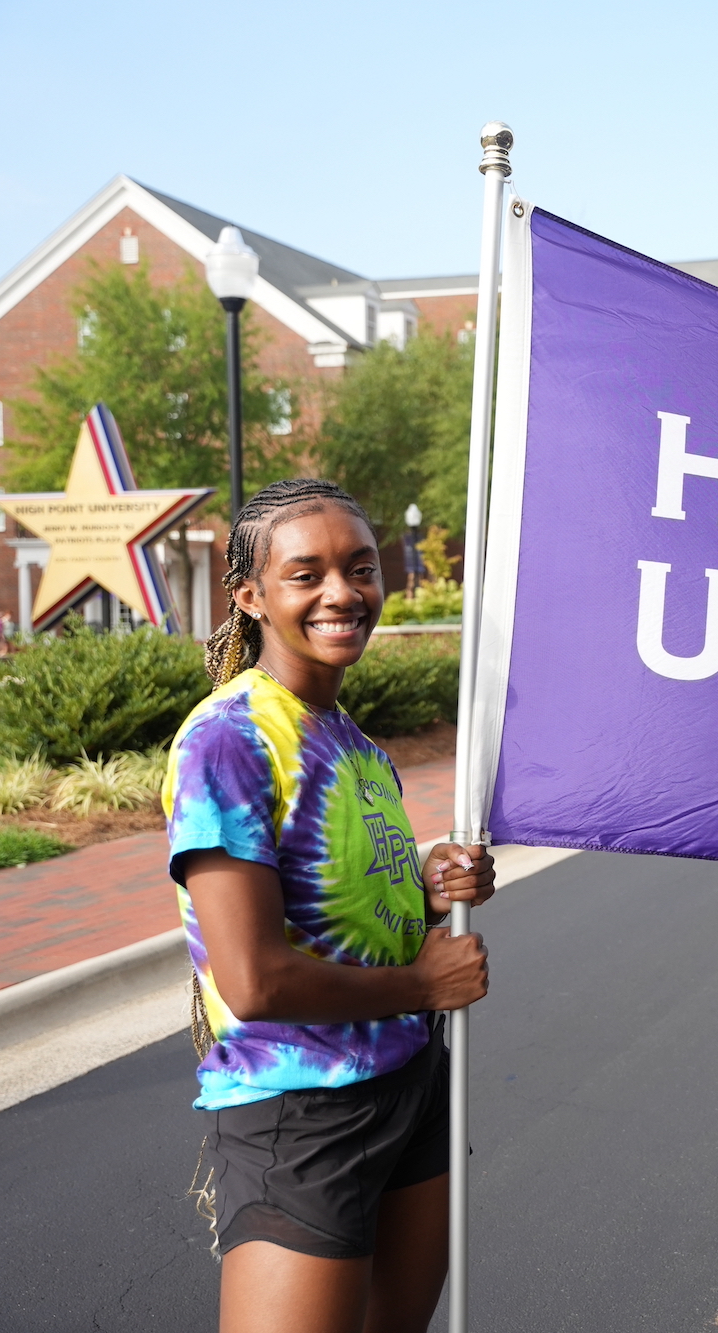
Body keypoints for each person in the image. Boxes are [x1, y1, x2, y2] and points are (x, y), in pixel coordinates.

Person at [164, 478, 496, 1333]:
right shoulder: (227, 738)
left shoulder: (355, 744)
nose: (342, 592)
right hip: (303, 1111)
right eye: (306, 574)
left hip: (412, 1088)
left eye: (359, 567)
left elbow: (360, 928)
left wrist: (427, 892)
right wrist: (425, 985)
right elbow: (255, 980)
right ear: (252, 595)